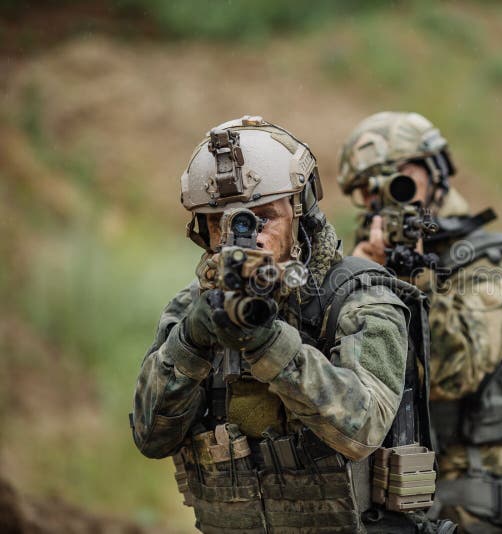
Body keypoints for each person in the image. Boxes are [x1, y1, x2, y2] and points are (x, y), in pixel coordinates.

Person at [131, 116, 453, 534]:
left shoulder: (359, 297)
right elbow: (150, 437)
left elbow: (362, 428)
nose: (246, 238)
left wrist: (269, 345)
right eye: (220, 223)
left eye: (263, 218)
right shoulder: (191, 309)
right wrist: (190, 343)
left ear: (300, 214)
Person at [337, 111, 502, 533]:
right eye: (369, 191)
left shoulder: (496, 268)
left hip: (470, 499)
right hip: (391, 495)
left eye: (398, 180)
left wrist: (408, 279)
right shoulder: (364, 263)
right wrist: (356, 281)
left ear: (437, 171)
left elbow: (452, 371)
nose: (384, 198)